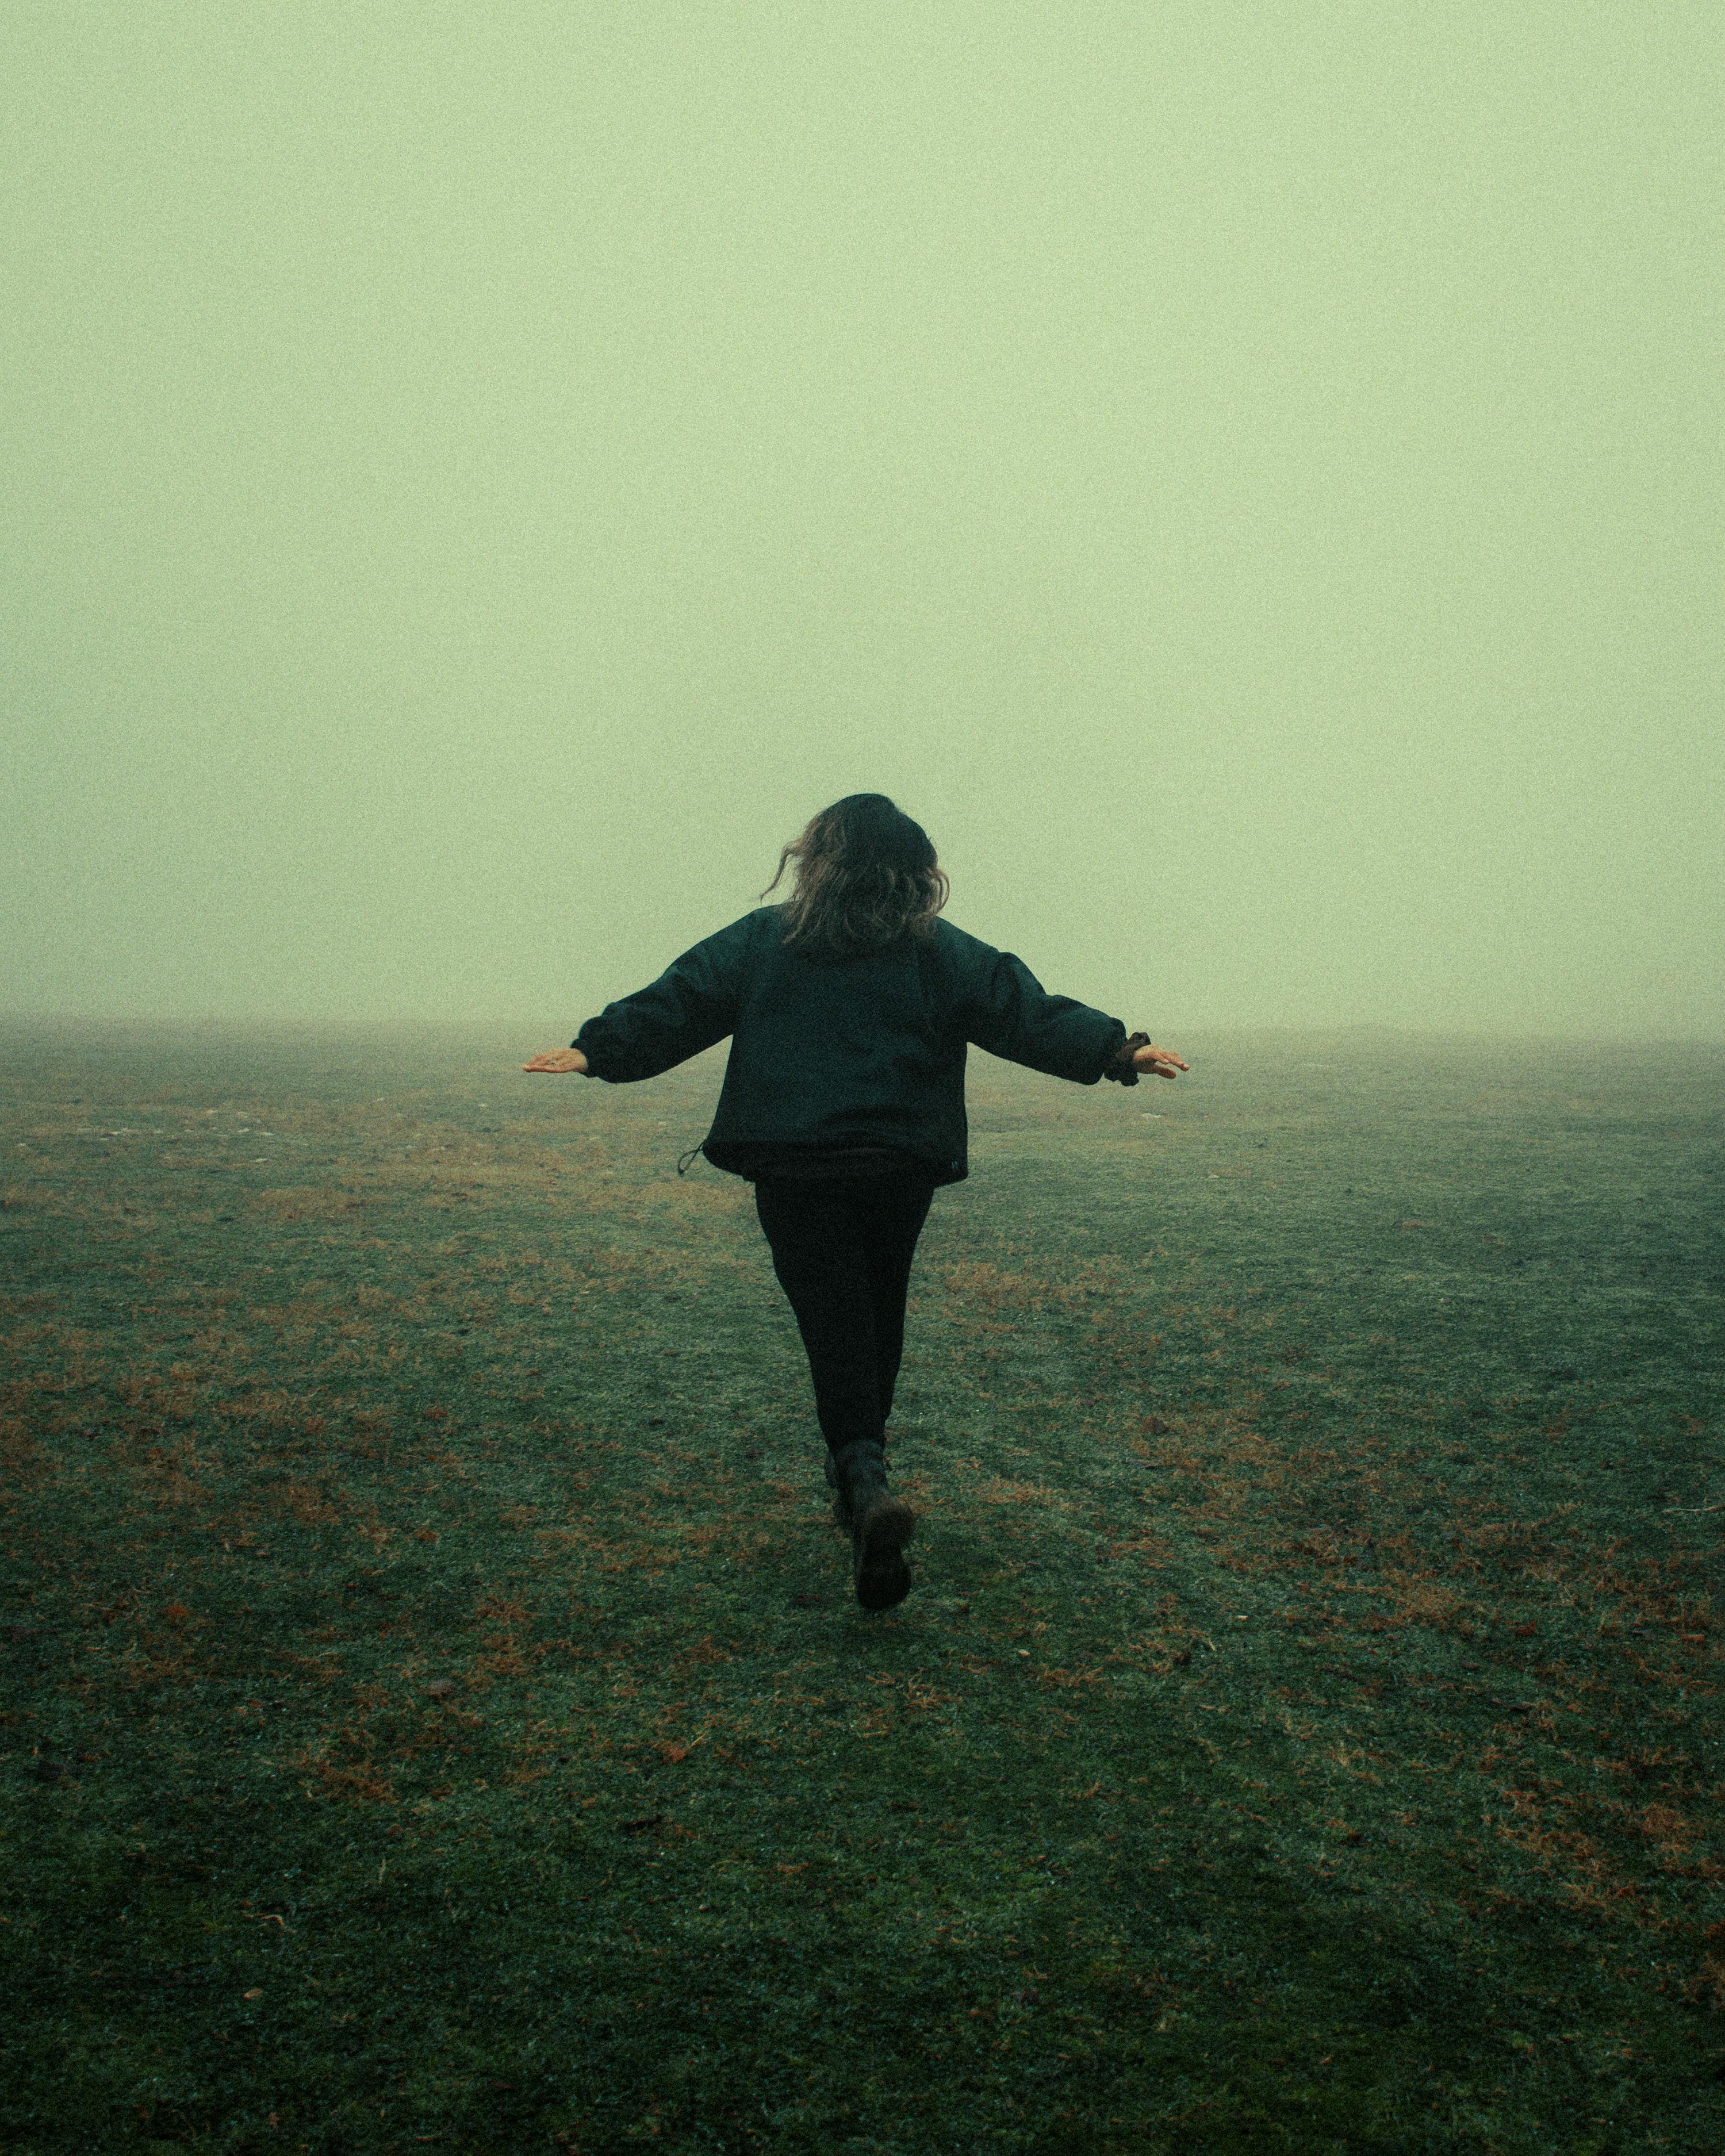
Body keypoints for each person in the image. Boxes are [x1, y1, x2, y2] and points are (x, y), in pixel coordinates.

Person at [524, 793, 1186, 1613]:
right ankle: (861, 1487)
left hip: (794, 1168)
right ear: (914, 870)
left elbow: (683, 998)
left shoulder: (768, 940)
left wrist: (598, 1048)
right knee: (874, 1318)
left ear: (817, 860)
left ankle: (864, 1489)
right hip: (897, 1165)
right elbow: (1020, 1007)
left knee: (838, 1322)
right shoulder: (933, 950)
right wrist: (1117, 1051)